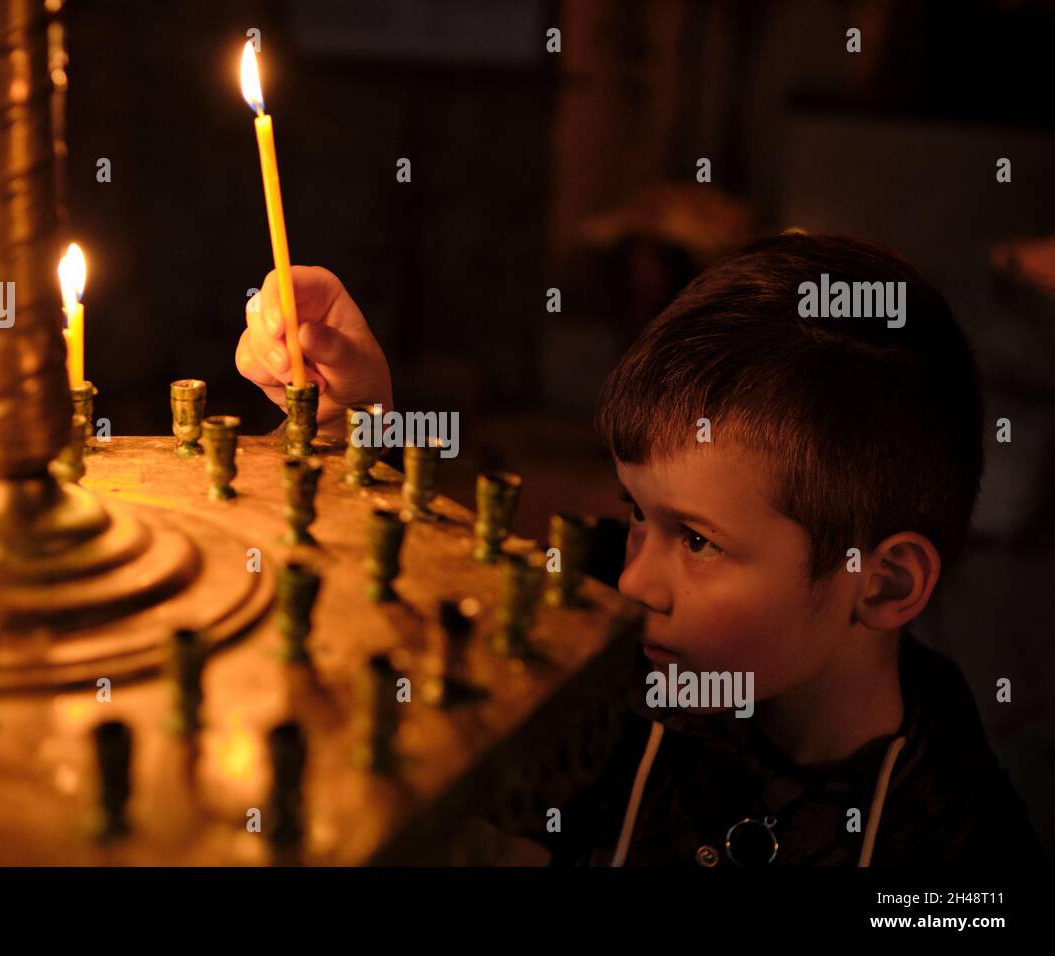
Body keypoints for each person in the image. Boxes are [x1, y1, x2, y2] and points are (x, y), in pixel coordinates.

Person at [235, 235, 1046, 866]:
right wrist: (357, 432)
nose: (633, 580)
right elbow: (420, 645)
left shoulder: (960, 850)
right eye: (636, 515)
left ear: (884, 583)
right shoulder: (617, 680)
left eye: (697, 540)